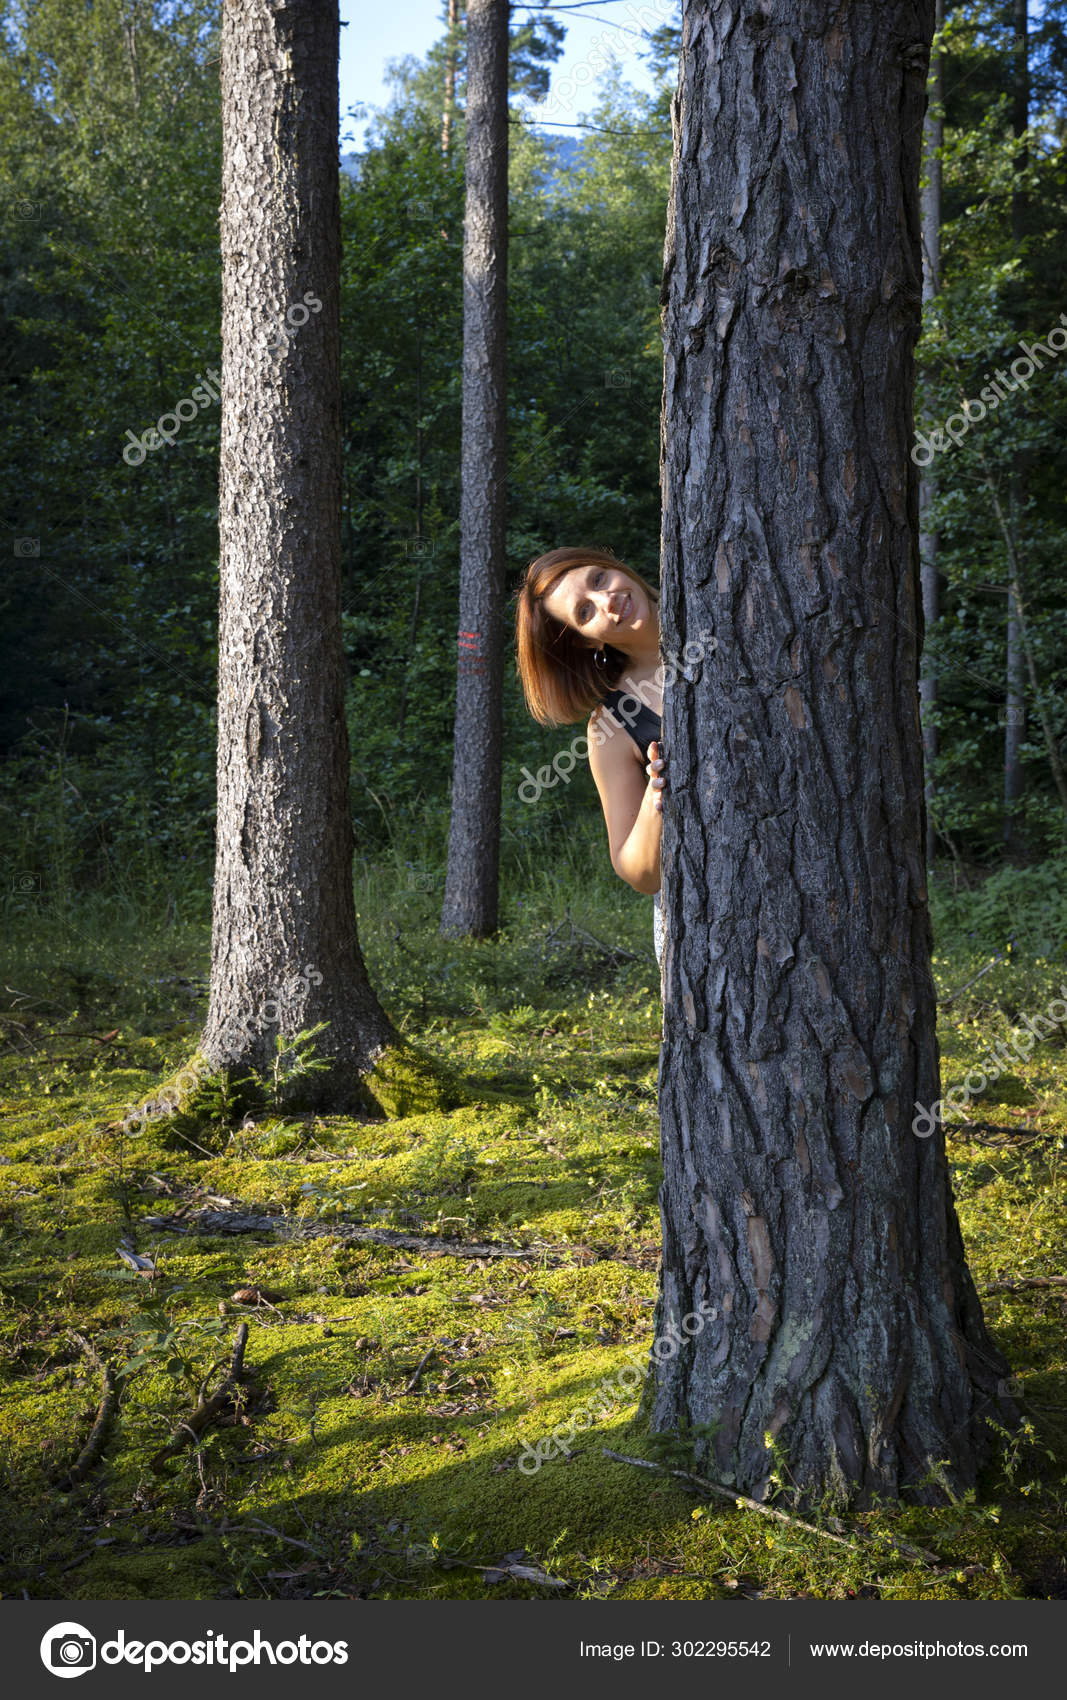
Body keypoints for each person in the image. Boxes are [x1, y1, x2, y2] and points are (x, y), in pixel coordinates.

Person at [514, 546, 668, 968]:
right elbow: (639, 873)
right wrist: (657, 798)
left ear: (617, 568)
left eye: (599, 580)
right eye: (585, 612)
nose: (607, 600)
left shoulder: (728, 597)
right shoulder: (613, 725)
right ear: (588, 641)